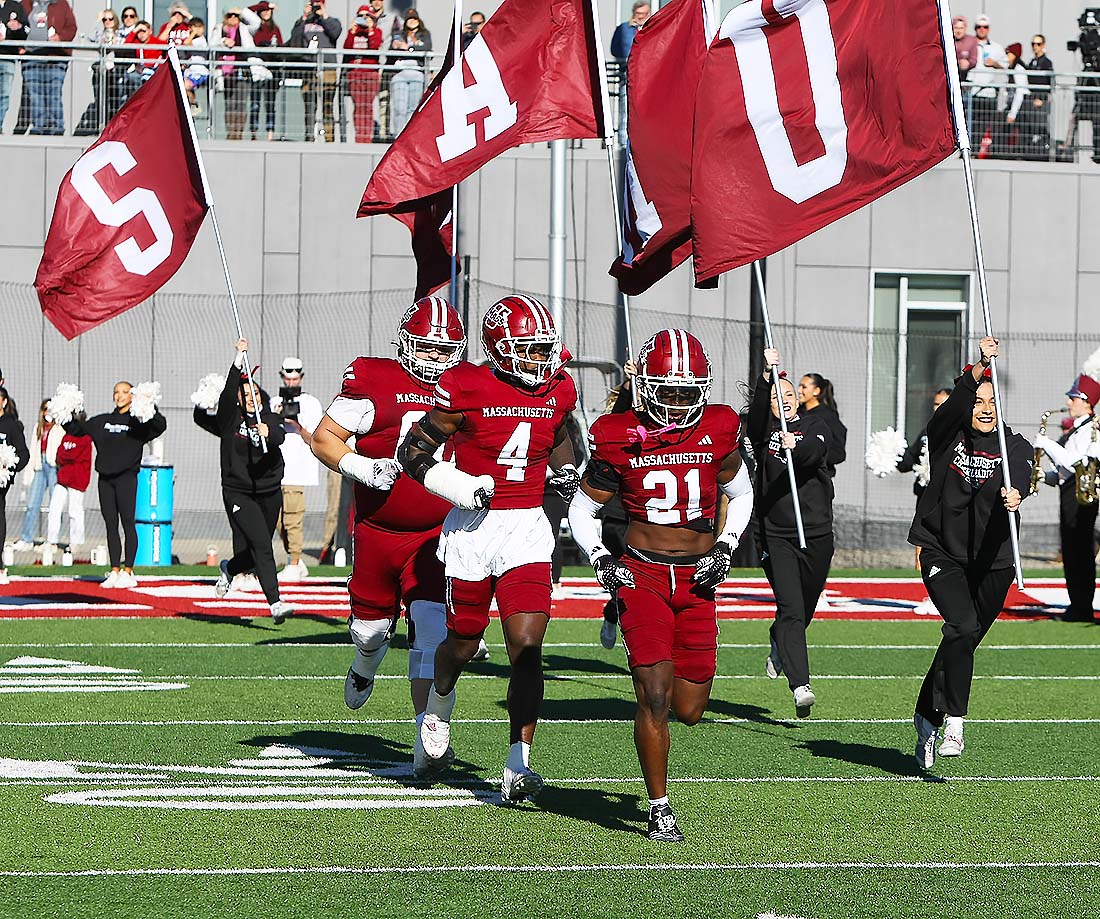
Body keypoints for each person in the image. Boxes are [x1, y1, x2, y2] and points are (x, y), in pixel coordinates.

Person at [568, 329, 753, 842]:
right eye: (666, 391)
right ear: (645, 387)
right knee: (653, 694)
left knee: (689, 709)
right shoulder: (617, 432)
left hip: (698, 578)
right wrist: (601, 558)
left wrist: (727, 544)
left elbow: (741, 493)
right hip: (642, 573)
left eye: (687, 391)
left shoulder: (718, 426)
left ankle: (662, 751)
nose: (676, 402)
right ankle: (658, 805)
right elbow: (582, 507)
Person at [401, 295, 579, 805]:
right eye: (527, 349)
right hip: (474, 527)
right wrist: (454, 484)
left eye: (543, 349)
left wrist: (566, 471)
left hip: (525, 526)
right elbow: (411, 450)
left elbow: (560, 434)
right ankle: (437, 703)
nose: (539, 360)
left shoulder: (559, 387)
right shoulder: (467, 385)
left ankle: (517, 764)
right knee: (463, 639)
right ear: (498, 348)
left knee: (526, 648)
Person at [311, 297, 470, 777]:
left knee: (431, 633)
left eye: (446, 351)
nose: (436, 361)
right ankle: (365, 661)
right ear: (405, 343)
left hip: (436, 534)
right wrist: (361, 466)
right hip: (379, 531)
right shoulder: (373, 379)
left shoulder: (466, 389)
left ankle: (428, 736)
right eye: (426, 348)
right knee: (370, 630)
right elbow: (323, 437)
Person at [909, 337, 1032, 769]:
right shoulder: (948, 438)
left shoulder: (1015, 445)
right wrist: (979, 366)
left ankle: (925, 718)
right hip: (943, 551)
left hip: (994, 560)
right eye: (978, 400)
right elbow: (948, 412)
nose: (984, 408)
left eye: (992, 401)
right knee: (960, 626)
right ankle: (956, 722)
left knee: (962, 641)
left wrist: (1014, 493)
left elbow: (1021, 469)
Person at [747, 348, 834, 718]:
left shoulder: (816, 425)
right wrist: (767, 373)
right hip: (776, 534)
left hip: (816, 532)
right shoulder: (762, 427)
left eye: (788, 395)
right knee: (792, 609)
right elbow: (754, 417)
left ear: (798, 399)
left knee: (805, 609)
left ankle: (778, 639)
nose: (782, 401)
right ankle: (800, 685)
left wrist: (794, 449)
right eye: (775, 397)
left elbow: (815, 452)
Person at [208, 340, 293, 623]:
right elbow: (228, 395)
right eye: (245, 394)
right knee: (263, 546)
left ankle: (229, 568)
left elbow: (280, 436)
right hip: (239, 492)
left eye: (254, 393)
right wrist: (237, 360)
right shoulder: (230, 420)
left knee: (255, 552)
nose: (251, 398)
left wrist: (269, 432)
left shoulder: (270, 417)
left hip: (269, 491)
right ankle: (276, 603)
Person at [62, 382, 167, 588]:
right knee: (111, 524)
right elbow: (77, 429)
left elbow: (160, 425)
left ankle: (128, 570)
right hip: (105, 480)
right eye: (116, 392)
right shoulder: (102, 421)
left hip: (127, 478)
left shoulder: (139, 422)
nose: (120, 396)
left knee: (128, 522)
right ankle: (114, 570)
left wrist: (149, 405)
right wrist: (64, 412)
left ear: (132, 396)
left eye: (125, 392)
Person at [1034, 369, 1100, 624]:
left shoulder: (1091, 430)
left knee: (1080, 551)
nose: (1068, 403)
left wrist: (1047, 444)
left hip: (1081, 496)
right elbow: (1062, 471)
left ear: (1086, 402)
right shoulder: (1074, 431)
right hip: (1068, 492)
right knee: (1071, 551)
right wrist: (1041, 476)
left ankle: (1082, 606)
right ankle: (1076, 604)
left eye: (1073, 398)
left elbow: (1073, 463)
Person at [896, 388, 951, 616]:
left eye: (943, 404)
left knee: (946, 551)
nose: (938, 409)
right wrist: (891, 454)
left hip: (949, 504)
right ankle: (933, 596)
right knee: (925, 551)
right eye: (936, 404)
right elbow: (909, 460)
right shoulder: (927, 432)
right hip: (926, 502)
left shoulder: (959, 431)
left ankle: (943, 598)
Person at [273, 356, 323, 581]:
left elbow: (316, 438)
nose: (291, 383)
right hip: (275, 469)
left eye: (295, 379)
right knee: (277, 520)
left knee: (292, 518)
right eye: (287, 378)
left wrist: (297, 425)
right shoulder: (275, 402)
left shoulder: (311, 403)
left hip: (297, 469)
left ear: (301, 378)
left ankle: (293, 561)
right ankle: (296, 559)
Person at [20, 0, 77, 136]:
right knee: (35, 95)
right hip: (31, 56)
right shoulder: (25, 3)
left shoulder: (61, 4)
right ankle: (39, 126)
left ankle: (57, 126)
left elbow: (71, 27)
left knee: (54, 93)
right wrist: (19, 46)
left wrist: (60, 37)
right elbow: (17, 26)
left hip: (55, 57)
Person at [288, 0, 340, 141]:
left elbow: (336, 33)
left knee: (327, 105)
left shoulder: (332, 21)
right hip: (309, 68)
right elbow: (294, 38)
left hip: (328, 68)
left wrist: (324, 16)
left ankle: (329, 138)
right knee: (309, 106)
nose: (316, 7)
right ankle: (309, 136)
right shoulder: (304, 22)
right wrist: (304, 17)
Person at [14, 399, 62, 550]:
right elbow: (33, 449)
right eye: (46, 409)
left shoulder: (59, 427)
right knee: (32, 504)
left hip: (54, 466)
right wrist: (29, 473)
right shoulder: (38, 427)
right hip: (40, 465)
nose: (48, 412)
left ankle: (52, 540)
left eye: (51, 409)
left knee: (55, 505)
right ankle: (27, 539)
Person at [74, 9, 125, 135]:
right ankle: (101, 127)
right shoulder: (100, 34)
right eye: (105, 19)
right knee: (100, 100)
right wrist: (97, 21)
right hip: (99, 71)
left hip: (114, 72)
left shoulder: (120, 33)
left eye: (110, 19)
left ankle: (112, 129)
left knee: (114, 100)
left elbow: (122, 46)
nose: (107, 22)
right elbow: (89, 37)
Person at [46, 413, 92, 552]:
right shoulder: (66, 436)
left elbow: (75, 455)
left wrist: (67, 456)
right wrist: (67, 457)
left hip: (78, 480)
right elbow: (59, 455)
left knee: (75, 511)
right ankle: (51, 541)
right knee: (54, 508)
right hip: (63, 478)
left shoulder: (86, 438)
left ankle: (76, 542)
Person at [0, 387, 30, 585]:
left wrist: (8, 467)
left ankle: (0, 566)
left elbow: (23, 454)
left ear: (3, 402)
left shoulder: (11, 425)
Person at [211, 8, 254, 140]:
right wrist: (223, 41)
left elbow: (256, 22)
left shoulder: (245, 28)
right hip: (226, 72)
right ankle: (230, 132)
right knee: (229, 103)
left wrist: (242, 11)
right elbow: (211, 44)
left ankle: (238, 133)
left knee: (241, 103)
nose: (233, 18)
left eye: (236, 16)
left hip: (242, 70)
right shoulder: (219, 29)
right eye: (230, 15)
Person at [387, 7, 429, 137]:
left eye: (414, 18)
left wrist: (408, 47)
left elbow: (427, 48)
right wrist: (397, 47)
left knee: (413, 108)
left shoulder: (424, 34)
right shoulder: (398, 33)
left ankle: (409, 137)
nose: (412, 21)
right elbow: (392, 50)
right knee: (400, 108)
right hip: (400, 74)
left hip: (417, 73)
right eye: (409, 19)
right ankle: (399, 136)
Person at [968, 15, 1006, 155]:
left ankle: (977, 150)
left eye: (985, 27)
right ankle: (968, 150)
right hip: (972, 92)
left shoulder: (996, 47)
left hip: (989, 93)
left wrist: (994, 63)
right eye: (979, 27)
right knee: (970, 123)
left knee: (984, 124)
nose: (982, 30)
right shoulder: (970, 45)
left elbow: (1006, 66)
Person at [344, 3, 382, 143]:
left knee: (368, 106)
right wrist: (352, 31)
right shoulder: (354, 32)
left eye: (367, 16)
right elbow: (347, 47)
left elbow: (374, 46)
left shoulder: (376, 32)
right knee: (359, 106)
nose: (364, 19)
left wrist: (371, 29)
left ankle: (368, 137)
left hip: (370, 73)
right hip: (355, 73)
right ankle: (360, 137)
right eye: (361, 16)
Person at [243, 1, 282, 140]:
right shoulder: (254, 27)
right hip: (257, 70)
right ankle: (254, 132)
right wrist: (265, 5)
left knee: (270, 104)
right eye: (263, 10)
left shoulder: (275, 28)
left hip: (273, 70)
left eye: (268, 10)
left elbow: (281, 47)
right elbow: (246, 11)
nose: (266, 12)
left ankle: (270, 133)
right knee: (255, 103)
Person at [797, 372, 846, 478]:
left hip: (816, 478)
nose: (799, 391)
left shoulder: (828, 417)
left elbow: (839, 453)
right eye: (799, 386)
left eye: (804, 387)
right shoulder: (797, 413)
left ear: (816, 391)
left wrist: (814, 455)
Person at [0, 0, 30, 130]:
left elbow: (27, 28)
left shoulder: (16, 6)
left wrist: (17, 27)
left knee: (4, 95)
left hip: (8, 57)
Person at [1023, 34, 1053, 158]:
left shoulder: (1046, 62)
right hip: (1032, 98)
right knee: (1032, 125)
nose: (1035, 47)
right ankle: (1033, 150)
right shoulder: (1032, 62)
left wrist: (1043, 99)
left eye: (1038, 44)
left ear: (1043, 45)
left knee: (1041, 126)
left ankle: (1044, 149)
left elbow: (1049, 82)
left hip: (1041, 99)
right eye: (1033, 44)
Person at [1003, 42, 1029, 155]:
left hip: (1021, 107)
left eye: (1009, 53)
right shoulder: (1011, 68)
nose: (1007, 56)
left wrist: (1012, 113)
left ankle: (1018, 153)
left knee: (1021, 131)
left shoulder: (1019, 69)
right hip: (1015, 106)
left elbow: (1020, 92)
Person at [951, 15, 978, 83]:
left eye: (961, 28)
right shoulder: (947, 41)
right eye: (956, 28)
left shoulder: (971, 41)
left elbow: (974, 59)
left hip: (966, 77)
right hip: (950, 75)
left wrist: (968, 63)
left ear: (965, 28)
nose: (958, 31)